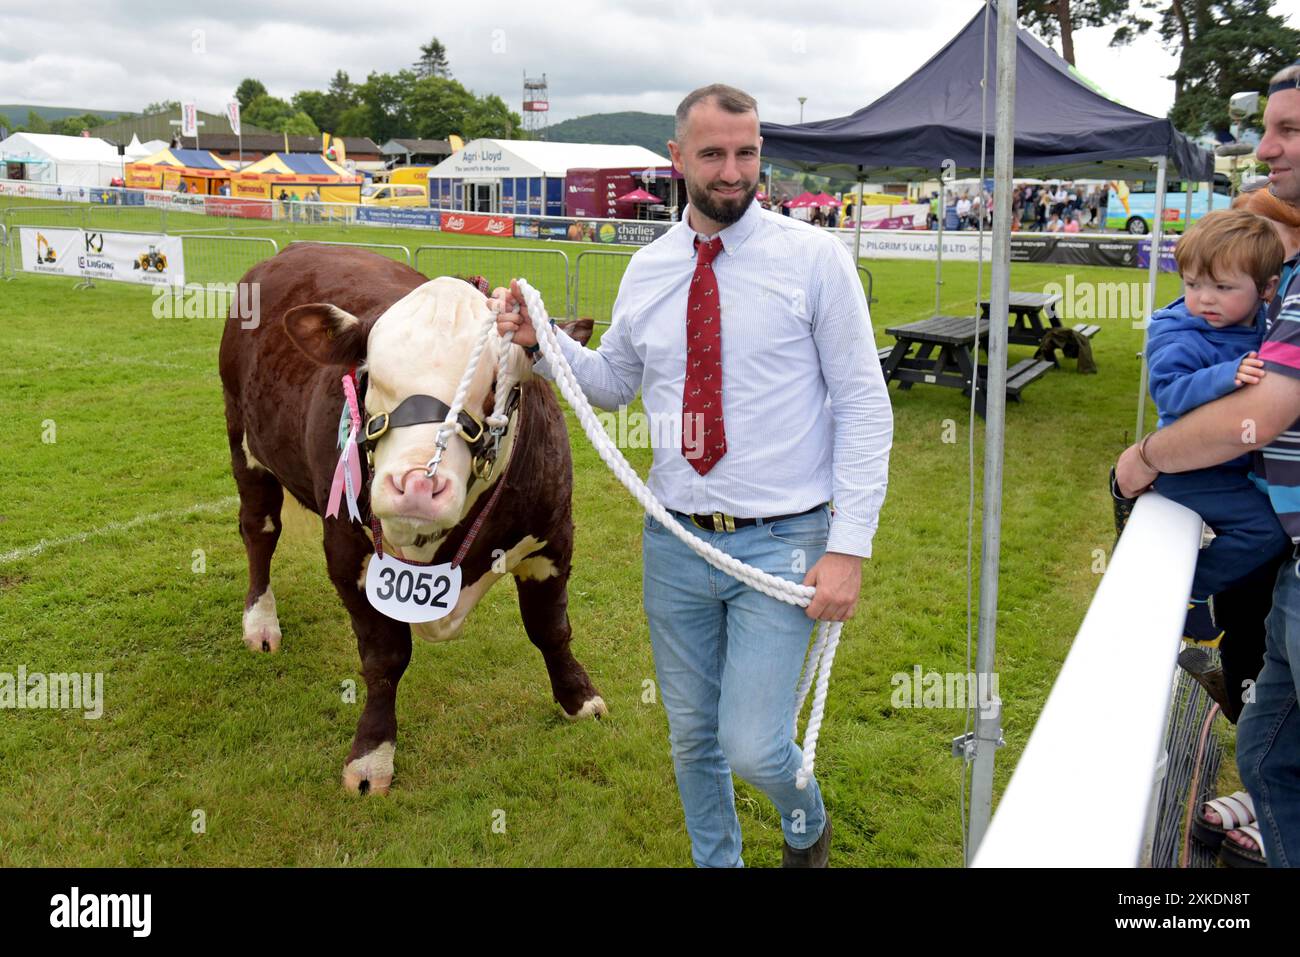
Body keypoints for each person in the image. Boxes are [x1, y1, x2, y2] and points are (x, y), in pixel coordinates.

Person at [493, 82, 893, 868]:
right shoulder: (648, 269)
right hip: (676, 542)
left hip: (784, 543)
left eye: (746, 152)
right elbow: (611, 382)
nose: (732, 170)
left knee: (752, 745)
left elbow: (864, 406)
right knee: (692, 737)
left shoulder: (815, 260)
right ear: (677, 158)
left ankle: (806, 825)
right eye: (713, 153)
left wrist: (850, 546)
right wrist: (542, 343)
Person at [1116, 64, 1300, 867]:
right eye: (1266, 127)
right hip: (1267, 518)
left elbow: (1266, 410)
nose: (1264, 149)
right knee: (1266, 741)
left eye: (1287, 131)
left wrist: (1144, 458)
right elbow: (1190, 363)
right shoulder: (1259, 250)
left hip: (1261, 508)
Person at [1144, 209, 1289, 648]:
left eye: (1223, 287)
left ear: (1266, 290)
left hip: (1231, 471)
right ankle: (1185, 593)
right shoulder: (1179, 335)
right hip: (1191, 472)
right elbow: (1168, 394)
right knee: (1266, 531)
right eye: (1192, 285)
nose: (1205, 298)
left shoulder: (1265, 326)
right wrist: (1226, 375)